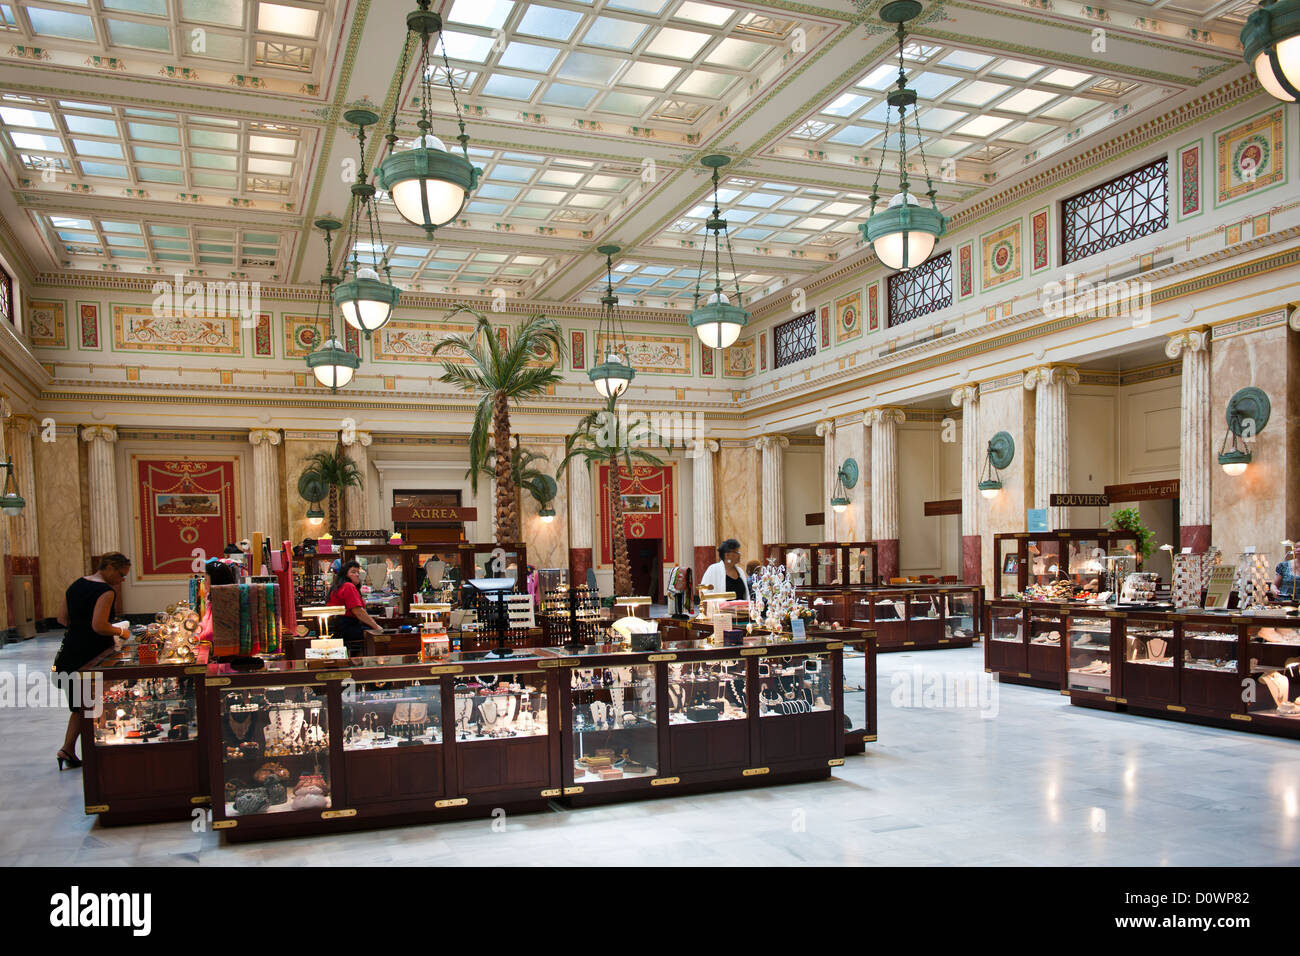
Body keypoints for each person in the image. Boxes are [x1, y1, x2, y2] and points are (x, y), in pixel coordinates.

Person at [53, 553, 133, 770]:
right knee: (95, 706)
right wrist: (122, 632)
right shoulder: (105, 591)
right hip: (91, 656)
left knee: (80, 707)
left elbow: (62, 618)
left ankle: (67, 749)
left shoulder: (76, 585)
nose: (121, 580)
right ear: (107, 567)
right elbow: (99, 626)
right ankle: (100, 753)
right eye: (120, 574)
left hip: (70, 652)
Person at [326, 559, 385, 655]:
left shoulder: (338, 586)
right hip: (347, 626)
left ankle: (356, 660)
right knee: (377, 636)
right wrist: (377, 627)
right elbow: (358, 611)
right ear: (345, 574)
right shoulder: (348, 586)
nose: (357, 575)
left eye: (358, 572)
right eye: (353, 572)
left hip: (338, 627)